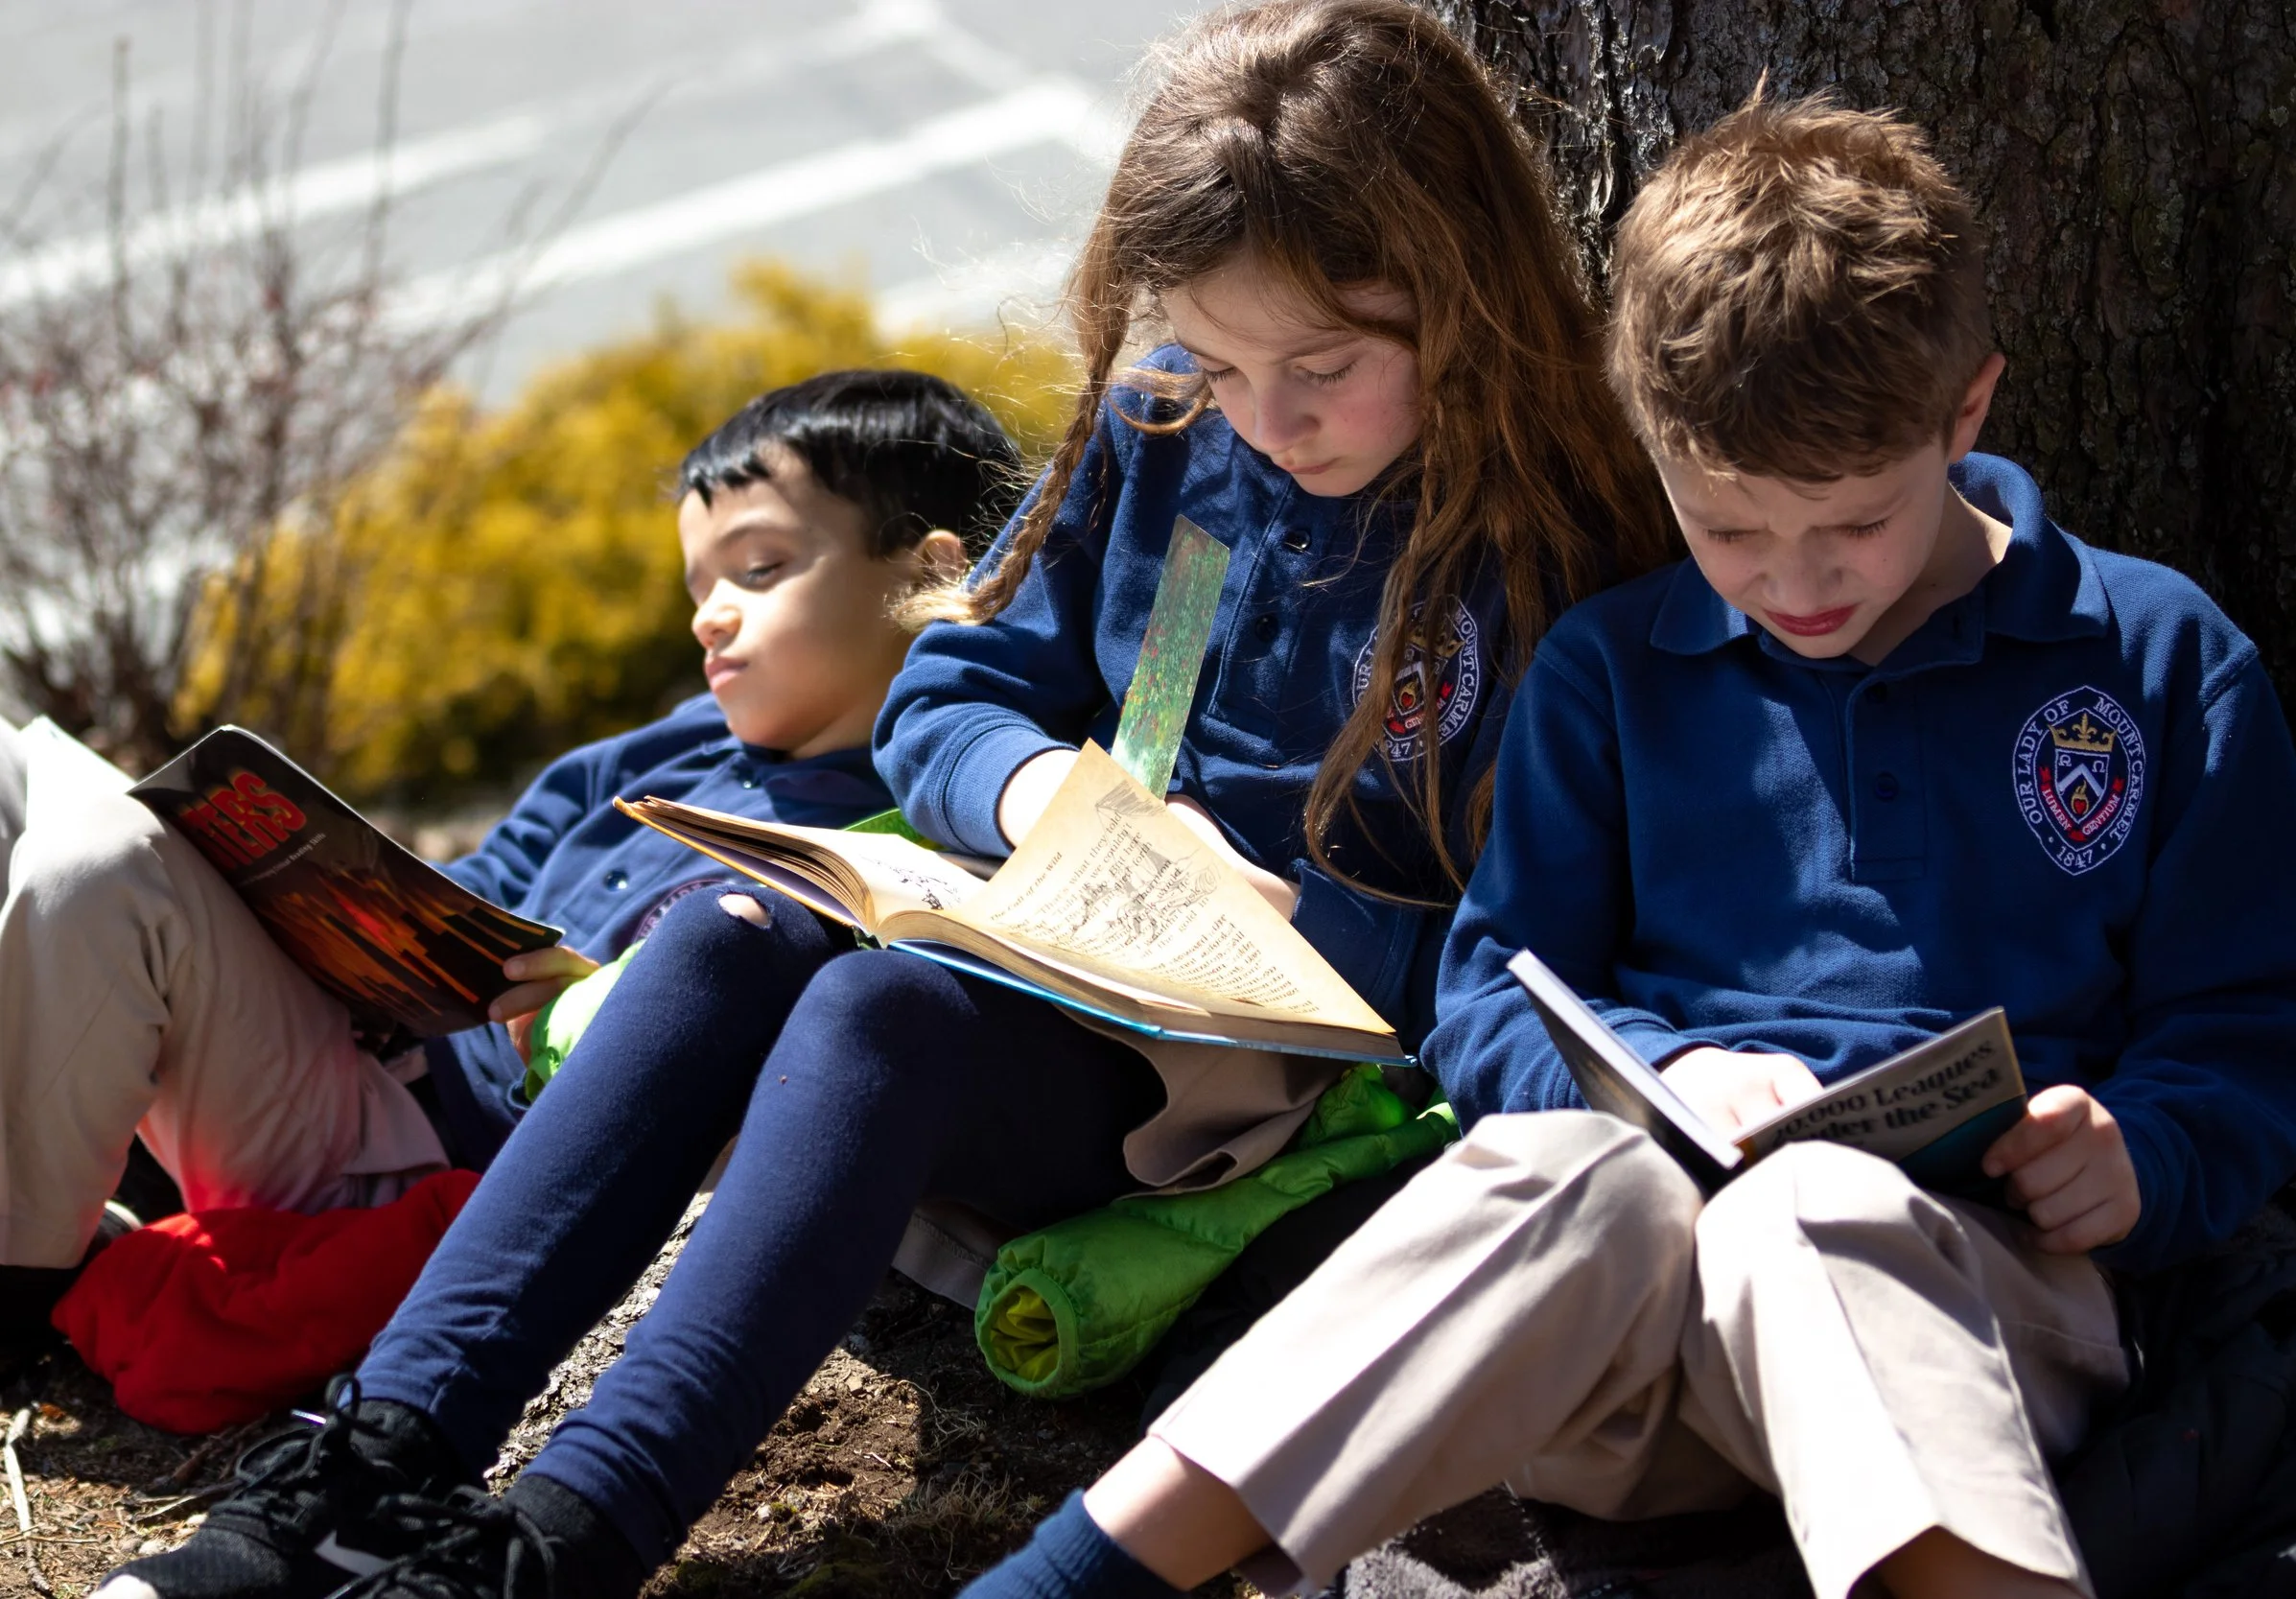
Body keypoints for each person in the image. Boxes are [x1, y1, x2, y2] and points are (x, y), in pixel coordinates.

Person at [92, 4, 1672, 1596]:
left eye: (1325, 366)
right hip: (1053, 931)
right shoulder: (1168, 417)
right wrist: (1051, 797)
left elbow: (1525, 925)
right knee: (721, 941)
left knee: (874, 1017)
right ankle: (366, 1462)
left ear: (1459, 290)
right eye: (1222, 356)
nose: (1271, 417)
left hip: (1263, 1071)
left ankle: (557, 1544)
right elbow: (954, 690)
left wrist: (1300, 925)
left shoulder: (1544, 548)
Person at [957, 93, 2296, 1599]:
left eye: (1857, 525)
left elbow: (2259, 1015)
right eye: (1730, 530)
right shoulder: (1617, 666)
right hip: (1645, 1359)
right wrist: (1664, 1077)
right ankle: (1067, 1580)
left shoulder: (2150, 655)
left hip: (2004, 1326)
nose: (1798, 582)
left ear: (1968, 415)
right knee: (1561, 1176)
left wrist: (2142, 1150)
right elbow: (1491, 989)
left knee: (1812, 1212)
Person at [0, 367, 1010, 1328]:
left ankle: (20, 1275)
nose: (709, 612)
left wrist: (602, 1016)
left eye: (759, 569)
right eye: (697, 583)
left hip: (419, 1153)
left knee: (102, 860)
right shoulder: (659, 746)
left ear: (929, 571)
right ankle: (104, 1113)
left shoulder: (913, 831)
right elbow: (469, 887)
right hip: (347, 1049)